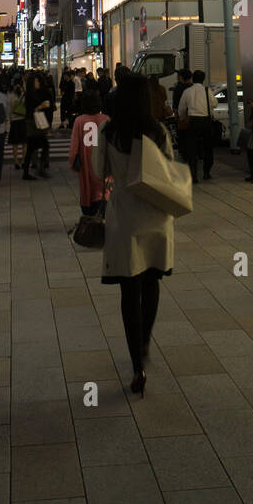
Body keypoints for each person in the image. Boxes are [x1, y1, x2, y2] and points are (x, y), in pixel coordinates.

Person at [93, 73, 176, 398]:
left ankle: (135, 364)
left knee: (129, 291)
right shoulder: (157, 131)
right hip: (156, 217)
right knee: (152, 281)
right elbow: (168, 168)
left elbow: (100, 171)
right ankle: (144, 344)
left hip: (124, 219)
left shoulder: (110, 131)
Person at [69, 91, 110, 215]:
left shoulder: (79, 121)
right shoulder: (106, 119)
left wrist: (73, 162)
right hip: (103, 162)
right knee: (103, 191)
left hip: (86, 161)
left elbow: (74, 145)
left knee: (88, 191)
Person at [177, 70, 216, 182]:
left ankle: (193, 175)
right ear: (203, 80)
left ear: (193, 79)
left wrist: (183, 117)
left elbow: (181, 109)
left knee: (191, 148)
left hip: (193, 121)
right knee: (208, 147)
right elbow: (214, 103)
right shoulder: (207, 90)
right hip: (206, 121)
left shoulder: (187, 91)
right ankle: (206, 172)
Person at [23, 73, 51, 180]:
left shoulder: (34, 93)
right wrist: (41, 106)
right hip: (33, 125)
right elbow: (31, 110)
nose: (38, 83)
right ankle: (40, 170)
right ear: (32, 83)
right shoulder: (30, 95)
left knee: (32, 149)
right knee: (44, 146)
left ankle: (28, 172)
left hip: (33, 124)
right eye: (36, 81)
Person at [7, 82, 26, 168]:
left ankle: (16, 161)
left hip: (14, 122)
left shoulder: (10, 96)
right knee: (24, 143)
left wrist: (10, 119)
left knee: (15, 143)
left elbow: (9, 111)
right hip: (23, 121)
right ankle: (23, 161)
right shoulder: (24, 96)